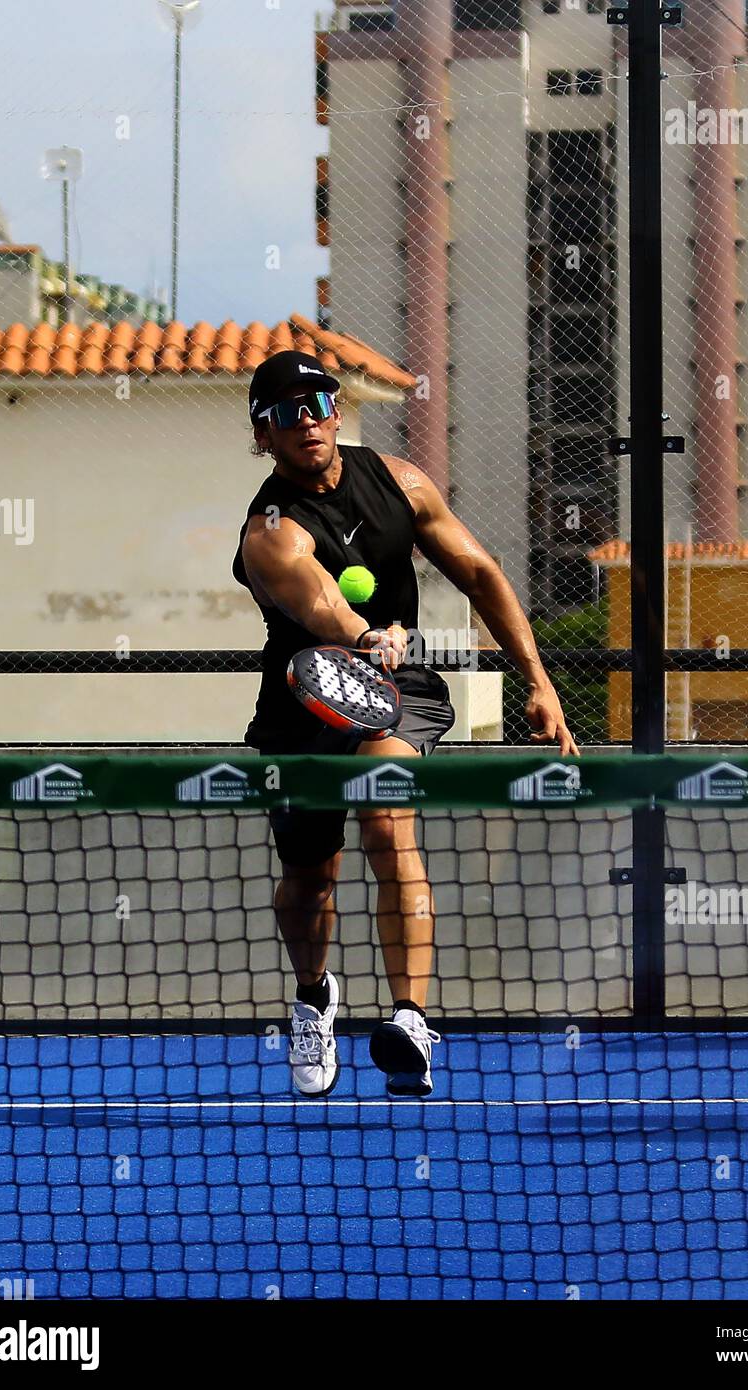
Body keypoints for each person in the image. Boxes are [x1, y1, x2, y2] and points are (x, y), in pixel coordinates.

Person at [233, 350, 578, 1098]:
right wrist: (361, 634)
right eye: (285, 414)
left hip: (394, 692)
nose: (307, 422)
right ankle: (315, 996)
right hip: (303, 699)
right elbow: (319, 602)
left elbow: (482, 574)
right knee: (306, 881)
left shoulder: (398, 481)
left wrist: (541, 683)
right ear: (262, 436)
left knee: (387, 825)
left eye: (317, 403)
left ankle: (410, 1017)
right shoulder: (269, 533)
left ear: (335, 410)